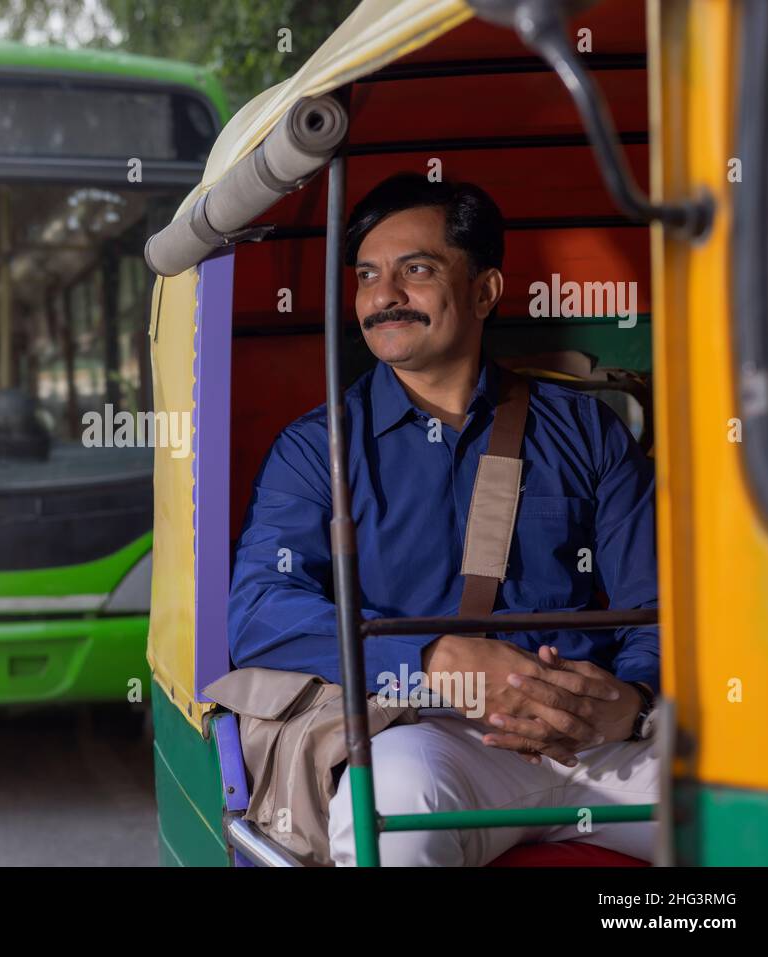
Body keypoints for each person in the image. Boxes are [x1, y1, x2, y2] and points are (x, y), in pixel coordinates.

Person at [227, 172, 660, 866]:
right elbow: (259, 609)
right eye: (368, 275)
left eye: (416, 270)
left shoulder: (587, 432)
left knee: (759, 791)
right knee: (390, 805)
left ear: (485, 291)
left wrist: (631, 699)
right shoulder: (318, 450)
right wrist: (429, 660)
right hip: (430, 737)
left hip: (590, 733)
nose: (383, 296)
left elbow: (657, 604)